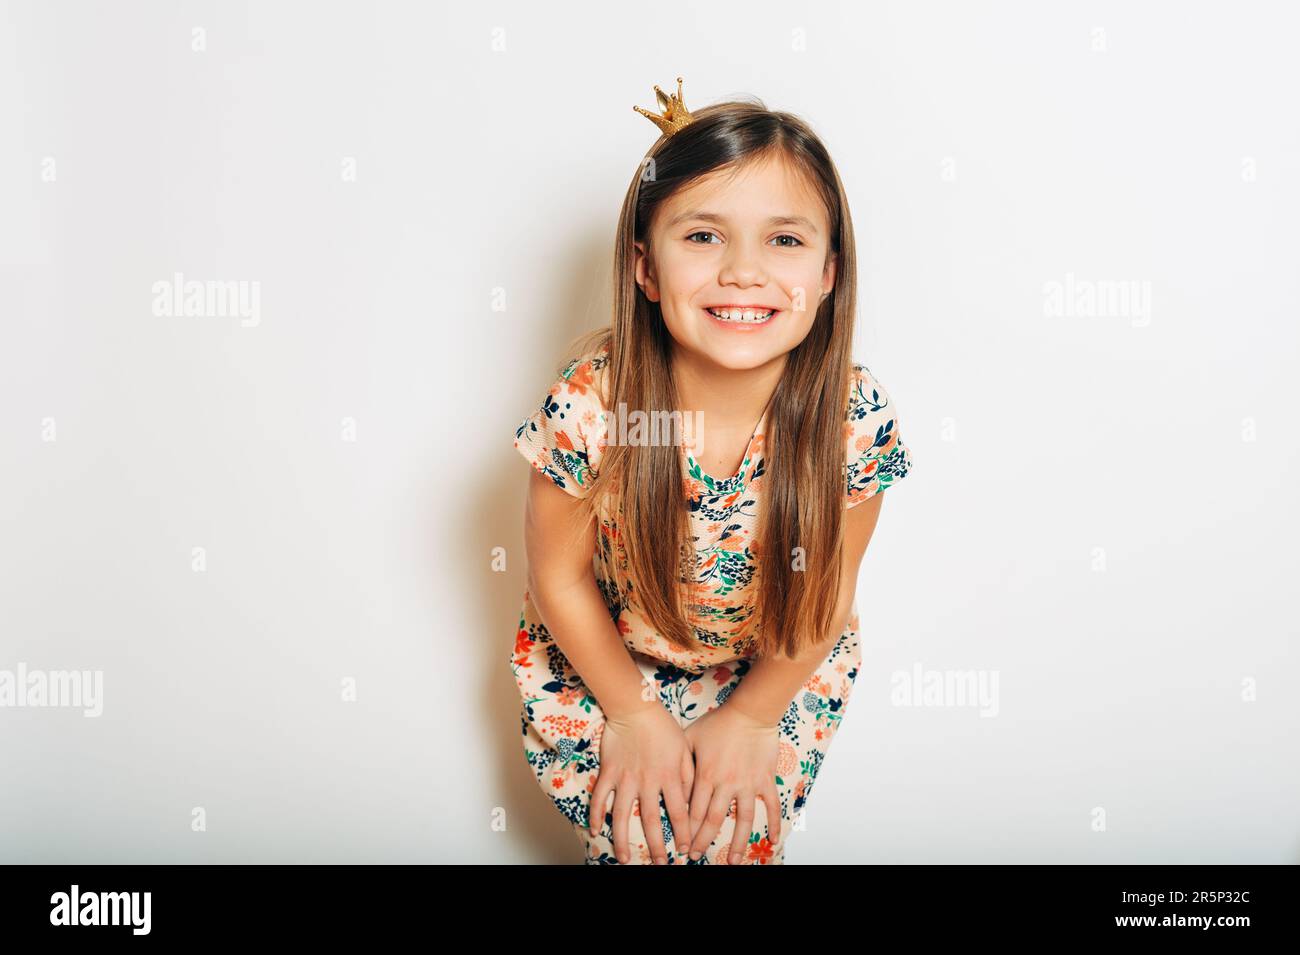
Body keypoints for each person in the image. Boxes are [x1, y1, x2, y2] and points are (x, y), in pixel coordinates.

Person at [510, 78, 915, 864]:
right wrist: (631, 714)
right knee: (645, 839)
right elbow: (557, 576)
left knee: (730, 838)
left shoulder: (850, 420)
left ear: (829, 275)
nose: (742, 272)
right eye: (703, 236)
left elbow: (828, 592)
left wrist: (753, 718)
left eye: (784, 240)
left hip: (773, 663)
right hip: (605, 659)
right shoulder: (594, 403)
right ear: (646, 269)